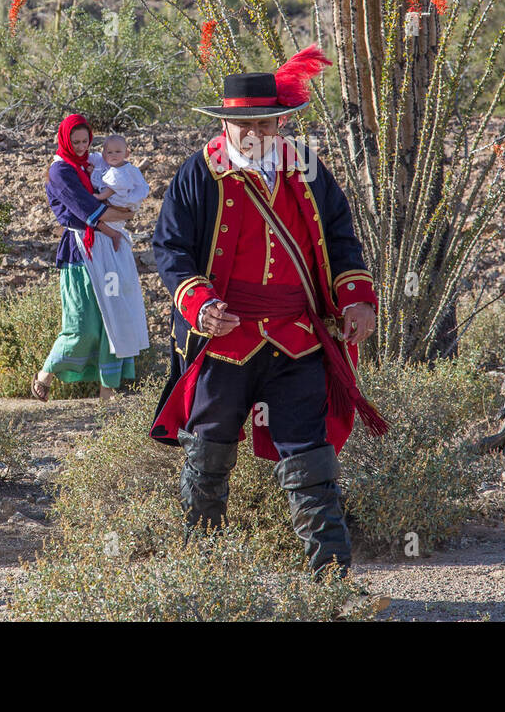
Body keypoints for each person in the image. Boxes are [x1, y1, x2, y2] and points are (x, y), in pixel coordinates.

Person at [149, 45, 385, 577]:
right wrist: (199, 305)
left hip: (296, 336)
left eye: (266, 121)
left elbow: (343, 239)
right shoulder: (197, 175)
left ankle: (331, 579)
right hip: (224, 337)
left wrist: (357, 299)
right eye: (244, 123)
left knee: (311, 460)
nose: (255, 133)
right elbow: (170, 250)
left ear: (280, 120)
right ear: (227, 124)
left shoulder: (307, 170)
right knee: (207, 456)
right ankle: (203, 577)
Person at [32, 114, 146, 403]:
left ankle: (107, 395)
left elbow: (120, 182)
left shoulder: (90, 165)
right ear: (64, 140)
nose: (82, 146)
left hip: (106, 247)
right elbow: (90, 211)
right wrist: (128, 214)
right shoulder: (61, 172)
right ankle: (46, 374)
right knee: (81, 323)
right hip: (80, 251)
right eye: (76, 142)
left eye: (86, 141)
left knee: (113, 317)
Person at [90, 134, 151, 232]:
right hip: (128, 204)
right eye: (110, 152)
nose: (114, 155)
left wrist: (101, 196)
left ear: (126, 154)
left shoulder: (118, 172)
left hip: (122, 202)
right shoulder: (128, 168)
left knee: (101, 220)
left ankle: (113, 234)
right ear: (104, 156)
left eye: (118, 151)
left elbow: (112, 188)